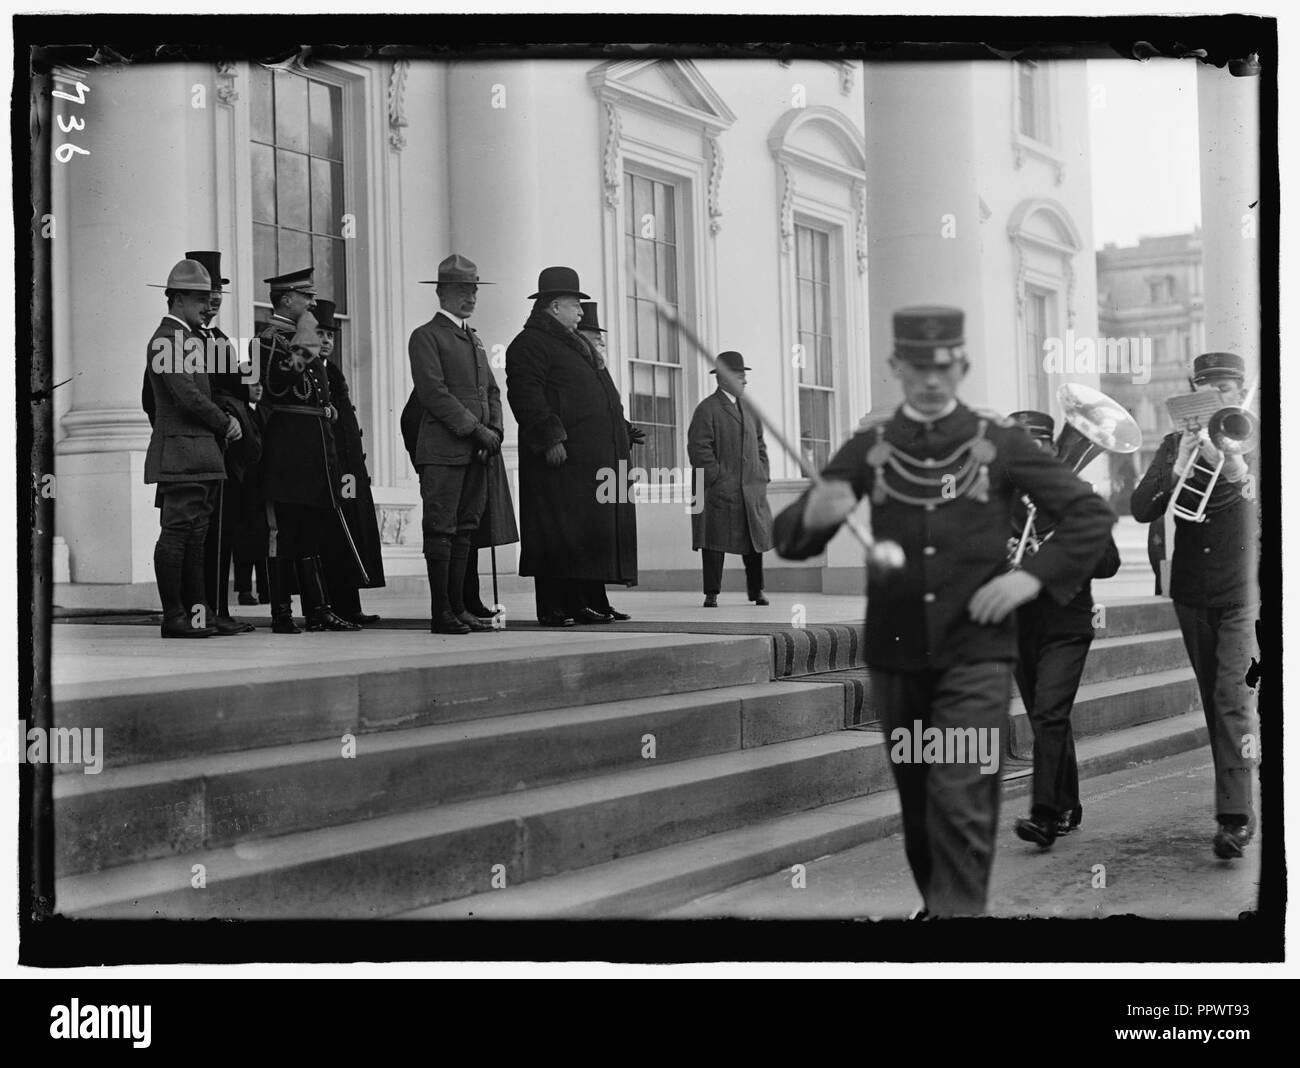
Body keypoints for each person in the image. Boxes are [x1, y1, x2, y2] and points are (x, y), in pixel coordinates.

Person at [773, 306, 1115, 917]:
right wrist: (812, 515)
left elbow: (1090, 518)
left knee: (961, 797)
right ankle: (941, 909)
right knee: (920, 805)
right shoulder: (871, 447)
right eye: (917, 367)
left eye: (943, 366)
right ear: (896, 367)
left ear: (961, 366)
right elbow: (792, 539)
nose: (931, 379)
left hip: (977, 656)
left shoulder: (1002, 444)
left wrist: (1029, 581)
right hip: (899, 657)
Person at [1130, 351, 1260, 860]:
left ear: (1241, 390)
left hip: (1243, 591)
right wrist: (1177, 466)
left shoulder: (1257, 439)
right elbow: (1142, 509)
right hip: (1192, 591)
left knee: (1231, 698)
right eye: (1208, 388)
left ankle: (1235, 819)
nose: (1220, 396)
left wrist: (1233, 465)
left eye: (1227, 388)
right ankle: (1239, 787)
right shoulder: (1172, 445)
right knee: (1216, 702)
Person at [1006, 410, 1121, 848]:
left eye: (1039, 444)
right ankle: (1068, 802)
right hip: (1020, 625)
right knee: (1045, 717)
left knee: (1050, 714)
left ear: (1053, 449)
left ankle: (1045, 816)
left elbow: (1108, 563)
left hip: (1067, 624)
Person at [506, 268, 639, 627]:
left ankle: (579, 603)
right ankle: (552, 608)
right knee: (554, 533)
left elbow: (596, 398)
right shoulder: (529, 343)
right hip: (559, 458)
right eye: (574, 305)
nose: (581, 312)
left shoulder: (574, 346)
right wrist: (549, 437)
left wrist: (621, 429)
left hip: (585, 459)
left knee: (576, 534)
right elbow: (525, 394)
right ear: (553, 307)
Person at [254, 268, 359, 634]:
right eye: (306, 296)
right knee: (285, 533)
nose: (313, 303)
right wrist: (303, 347)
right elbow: (278, 383)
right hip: (288, 450)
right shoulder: (268, 338)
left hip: (315, 448)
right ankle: (282, 612)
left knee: (312, 531)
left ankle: (318, 609)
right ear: (286, 299)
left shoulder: (303, 336)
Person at [143, 258, 243, 638]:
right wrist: (225, 420)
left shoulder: (186, 339)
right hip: (183, 454)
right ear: (178, 298)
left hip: (199, 455)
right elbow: (187, 396)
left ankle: (195, 616)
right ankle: (174, 617)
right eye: (201, 298)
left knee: (196, 536)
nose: (208, 305)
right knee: (178, 533)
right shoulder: (167, 339)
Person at [407, 254, 502, 635]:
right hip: (444, 451)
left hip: (477, 451)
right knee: (441, 530)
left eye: (474, 289)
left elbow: (492, 390)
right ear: (441, 292)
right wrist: (477, 431)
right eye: (463, 290)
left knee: (465, 529)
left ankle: (460, 608)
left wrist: (494, 431)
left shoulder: (474, 340)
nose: (471, 297)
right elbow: (434, 393)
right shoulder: (426, 336)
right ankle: (441, 612)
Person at [184, 250, 261, 635]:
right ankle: (202, 612)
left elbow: (237, 384)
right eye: (207, 292)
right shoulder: (181, 340)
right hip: (200, 447)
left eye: (217, 292)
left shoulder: (218, 339)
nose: (213, 300)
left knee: (223, 532)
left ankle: (218, 609)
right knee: (200, 534)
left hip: (227, 451)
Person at [313, 298, 386, 626]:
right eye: (320, 333)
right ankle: (333, 604)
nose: (327, 340)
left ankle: (349, 602)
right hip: (328, 468)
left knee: (351, 532)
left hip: (348, 469)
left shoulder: (333, 373)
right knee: (333, 536)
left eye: (330, 335)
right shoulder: (312, 374)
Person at [687, 350, 774, 608]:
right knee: (713, 541)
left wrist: (762, 474)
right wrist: (718, 477)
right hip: (718, 489)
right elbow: (698, 449)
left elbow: (760, 445)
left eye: (744, 376)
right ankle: (711, 593)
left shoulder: (750, 409)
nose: (744, 381)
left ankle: (757, 590)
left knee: (754, 541)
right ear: (723, 379)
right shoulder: (707, 409)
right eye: (739, 376)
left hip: (750, 487)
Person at [572, 300, 641, 621]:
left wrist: (626, 429)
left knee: (604, 538)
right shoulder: (582, 367)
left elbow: (610, 409)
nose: (601, 344)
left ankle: (599, 599)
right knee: (589, 535)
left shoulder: (599, 368)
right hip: (589, 462)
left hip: (609, 461)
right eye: (595, 338)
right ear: (581, 337)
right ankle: (587, 599)